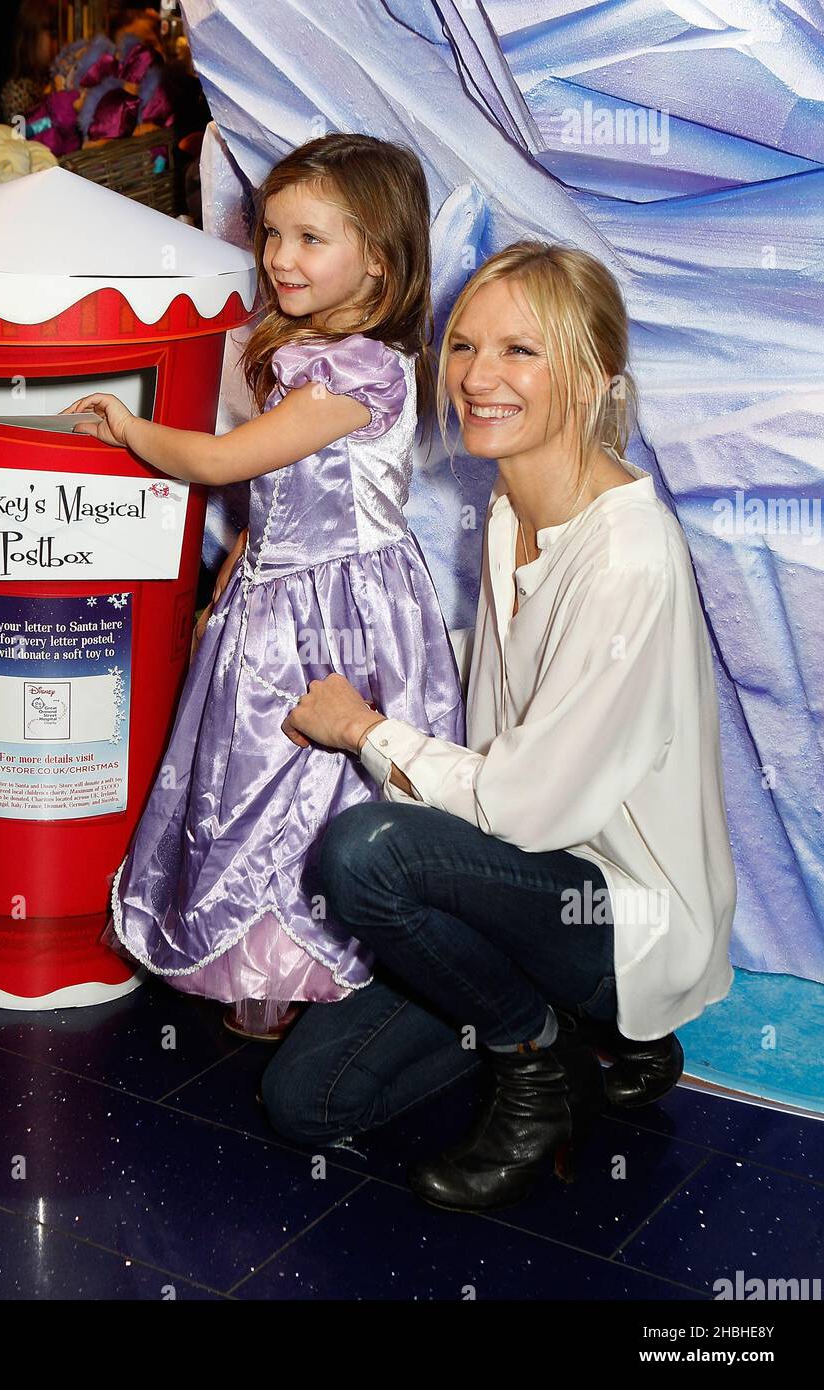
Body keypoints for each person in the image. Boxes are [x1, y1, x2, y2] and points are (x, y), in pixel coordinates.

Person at [262, 241, 737, 1213]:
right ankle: (579, 1023)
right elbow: (502, 675)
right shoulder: (507, 501)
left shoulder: (629, 558)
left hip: (619, 908)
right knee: (304, 1101)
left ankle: (535, 1067)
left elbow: (518, 806)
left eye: (520, 351)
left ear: (594, 379)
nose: (477, 376)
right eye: (467, 346)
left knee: (370, 854)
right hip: (518, 882)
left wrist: (365, 731)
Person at [63, 134, 465, 1040]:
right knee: (250, 772)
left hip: (341, 612)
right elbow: (273, 498)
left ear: (381, 260)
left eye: (310, 238)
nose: (280, 257)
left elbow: (218, 458)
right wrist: (235, 574)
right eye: (272, 233)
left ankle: (312, 962)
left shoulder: (355, 371)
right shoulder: (308, 356)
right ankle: (259, 957)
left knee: (309, 781)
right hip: (276, 594)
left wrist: (127, 427)